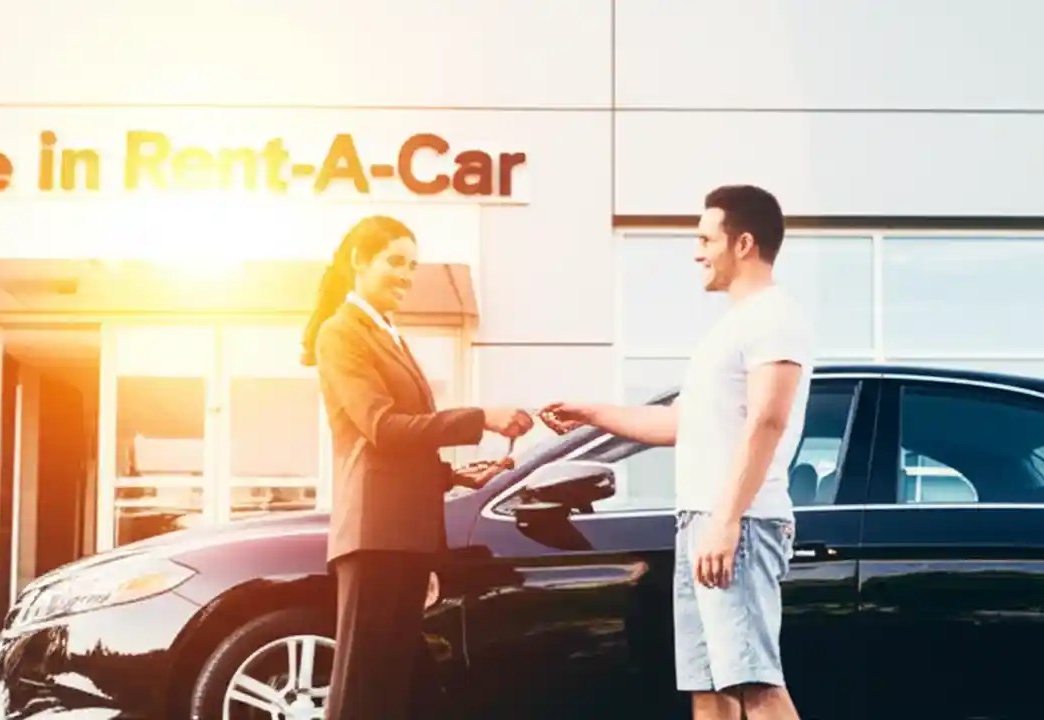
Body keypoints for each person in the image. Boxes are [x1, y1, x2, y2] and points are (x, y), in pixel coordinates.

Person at [543, 185, 811, 720]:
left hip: (740, 523)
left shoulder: (774, 316)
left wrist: (727, 519)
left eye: (706, 238)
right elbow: (676, 423)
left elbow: (769, 418)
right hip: (702, 521)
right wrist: (592, 412)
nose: (697, 252)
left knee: (754, 683)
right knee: (709, 690)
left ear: (744, 244)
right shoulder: (730, 328)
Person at [301, 215, 533, 719]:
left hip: (404, 535)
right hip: (375, 535)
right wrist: (481, 418)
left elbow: (397, 449)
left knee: (405, 689)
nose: (405, 275)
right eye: (394, 262)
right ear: (360, 261)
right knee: (366, 691)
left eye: (412, 265)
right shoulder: (342, 333)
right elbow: (382, 428)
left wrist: (454, 476)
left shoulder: (387, 334)